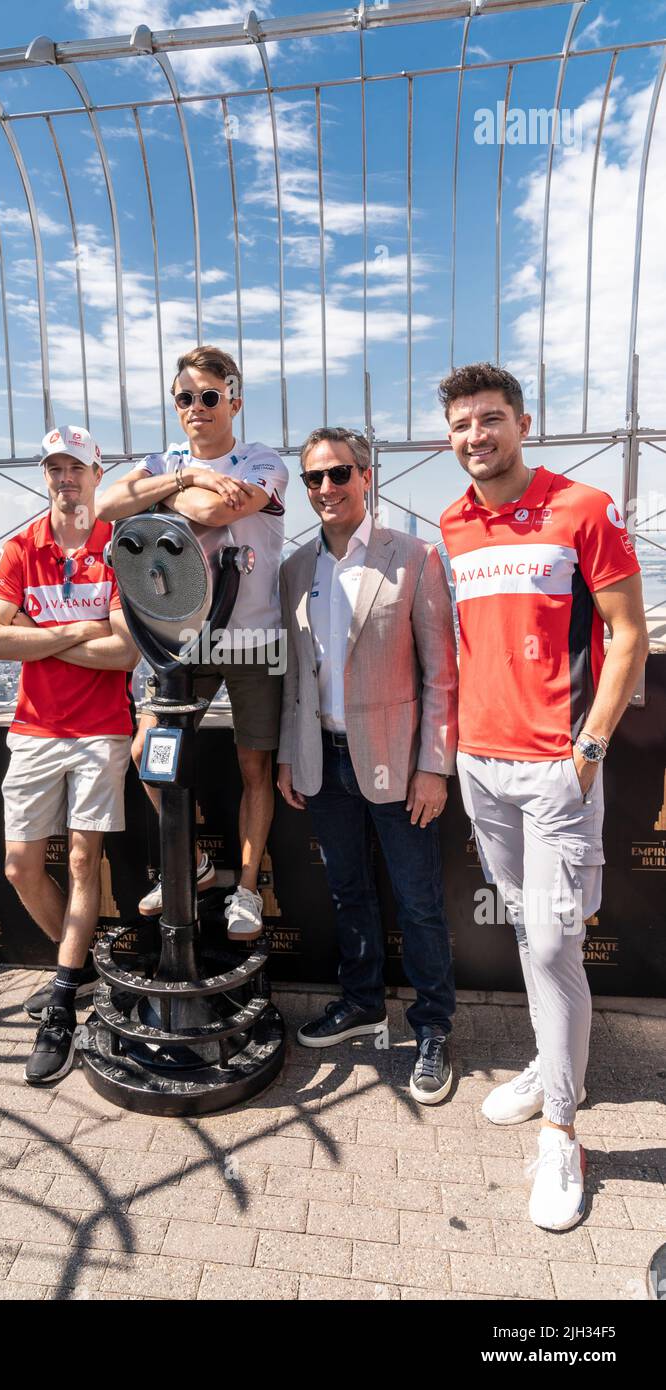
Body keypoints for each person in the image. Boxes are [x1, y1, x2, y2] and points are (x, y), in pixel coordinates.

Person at [439, 363, 649, 1228]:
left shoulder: (584, 509)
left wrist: (587, 754)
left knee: (556, 943)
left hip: (557, 772)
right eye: (461, 425)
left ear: (525, 422)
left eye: (491, 419)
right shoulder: (453, 523)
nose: (475, 436)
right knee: (531, 931)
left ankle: (563, 1131)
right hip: (480, 767)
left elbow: (629, 635)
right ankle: (551, 1064)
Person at [277, 427, 458, 1103]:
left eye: (339, 474)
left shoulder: (413, 558)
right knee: (348, 895)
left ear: (367, 475)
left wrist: (435, 766)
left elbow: (443, 674)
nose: (326, 488)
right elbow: (297, 676)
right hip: (322, 761)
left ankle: (434, 1026)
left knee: (419, 904)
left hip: (397, 763)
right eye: (314, 479)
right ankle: (362, 1003)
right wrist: (289, 761)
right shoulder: (297, 568)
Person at [96, 346, 288, 942]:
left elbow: (210, 511)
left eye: (210, 395)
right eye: (185, 397)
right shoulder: (165, 460)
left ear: (234, 398)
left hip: (254, 634)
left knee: (253, 764)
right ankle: (191, 863)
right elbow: (103, 505)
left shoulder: (262, 460)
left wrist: (161, 492)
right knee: (146, 752)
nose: (197, 407)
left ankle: (248, 890)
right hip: (183, 635)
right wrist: (187, 475)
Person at [0, 425, 139, 1085]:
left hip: (103, 727)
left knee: (82, 860)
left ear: (97, 475)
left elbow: (126, 651)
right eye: (55, 468)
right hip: (35, 728)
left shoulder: (120, 547)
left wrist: (41, 634)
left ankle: (61, 1004)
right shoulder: (22, 546)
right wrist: (82, 630)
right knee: (22, 867)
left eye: (76, 468)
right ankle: (84, 963)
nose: (65, 479)